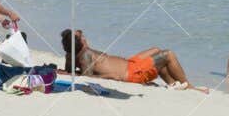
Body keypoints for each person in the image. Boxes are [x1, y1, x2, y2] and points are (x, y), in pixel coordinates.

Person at [62, 29, 195, 88]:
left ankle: (173, 84)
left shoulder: (72, 53)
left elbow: (69, 70)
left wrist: (68, 69)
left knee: (155, 50)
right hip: (132, 73)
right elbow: (87, 77)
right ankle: (188, 86)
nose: (84, 35)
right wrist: (108, 76)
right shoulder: (86, 55)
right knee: (168, 54)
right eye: (81, 35)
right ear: (82, 42)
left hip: (130, 64)